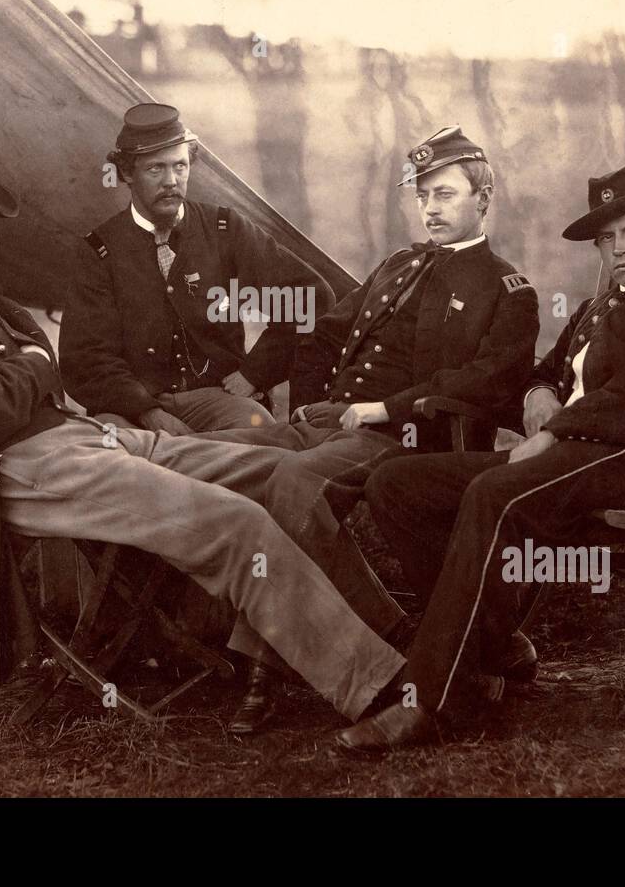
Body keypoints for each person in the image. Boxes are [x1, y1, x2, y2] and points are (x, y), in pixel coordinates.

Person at [0, 143, 402, 722]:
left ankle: (391, 630)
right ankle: (376, 686)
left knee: (286, 471)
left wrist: (25, 369)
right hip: (30, 470)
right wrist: (33, 366)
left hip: (86, 439)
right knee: (238, 522)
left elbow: (20, 377)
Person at [342, 161, 625, 754]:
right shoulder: (598, 308)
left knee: (493, 494)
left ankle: (433, 701)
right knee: (397, 483)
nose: (618, 249)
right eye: (607, 239)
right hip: (566, 456)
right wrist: (538, 393)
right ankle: (492, 647)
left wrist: (556, 430)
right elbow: (545, 374)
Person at [203, 127, 540, 734]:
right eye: (424, 197)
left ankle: (263, 672)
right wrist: (309, 406)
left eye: (446, 195)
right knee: (206, 461)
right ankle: (391, 627)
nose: (431, 209)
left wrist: (385, 409)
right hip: (333, 425)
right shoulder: (398, 264)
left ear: (483, 200)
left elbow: (487, 382)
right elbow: (324, 332)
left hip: (406, 439)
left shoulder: (506, 288)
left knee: (294, 484)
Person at [60, 103, 334, 432]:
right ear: (128, 174)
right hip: (131, 405)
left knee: (256, 431)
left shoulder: (225, 229)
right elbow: (87, 357)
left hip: (217, 398)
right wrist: (147, 411)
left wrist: (254, 373)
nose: (171, 181)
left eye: (180, 166)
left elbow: (308, 299)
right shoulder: (99, 250)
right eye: (155, 169)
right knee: (109, 449)